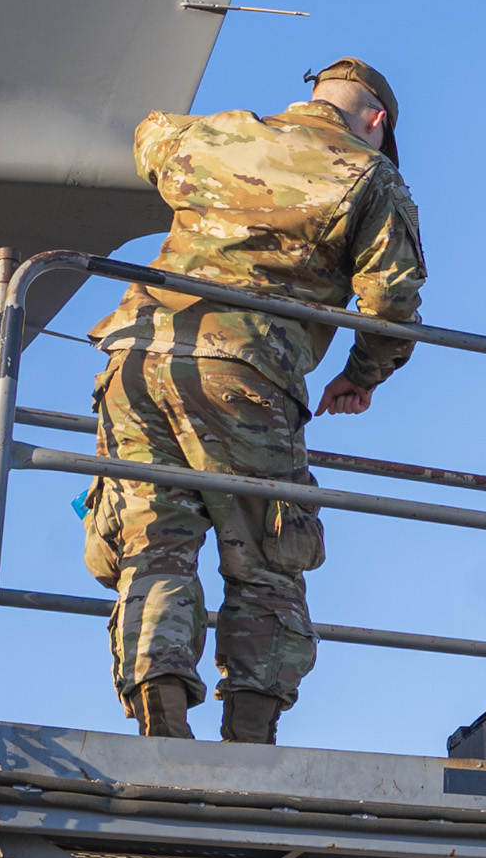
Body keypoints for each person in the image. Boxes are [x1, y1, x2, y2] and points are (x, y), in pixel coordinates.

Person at [81, 59, 426, 744]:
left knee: (154, 542)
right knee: (268, 552)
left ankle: (161, 716)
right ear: (377, 121)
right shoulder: (367, 173)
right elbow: (392, 301)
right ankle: (249, 734)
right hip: (244, 371)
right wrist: (362, 374)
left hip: (136, 357)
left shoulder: (213, 136)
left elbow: (149, 136)